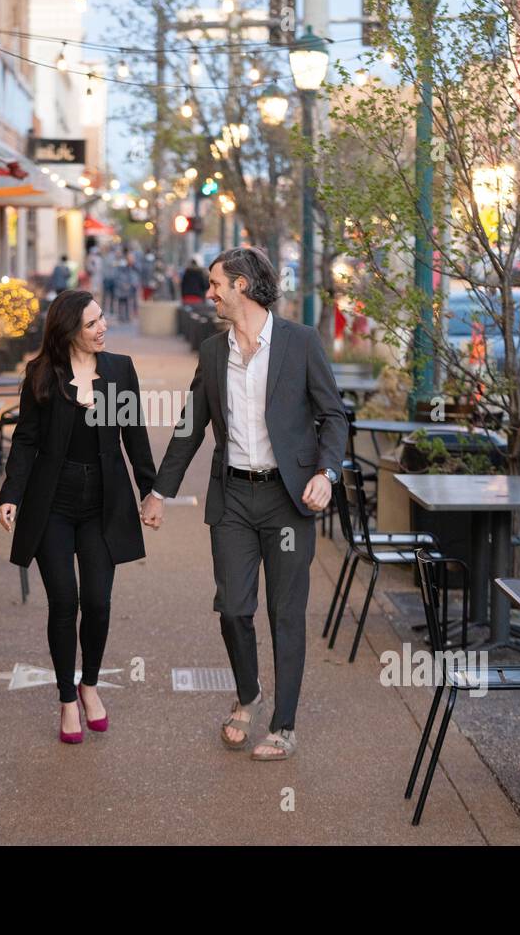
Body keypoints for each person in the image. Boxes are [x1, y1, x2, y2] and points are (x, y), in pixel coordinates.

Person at [141, 247, 346, 761]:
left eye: (216, 284)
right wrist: (160, 491)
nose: (209, 293)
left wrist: (326, 473)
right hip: (232, 496)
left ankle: (284, 725)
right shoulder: (214, 351)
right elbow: (190, 427)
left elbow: (334, 416)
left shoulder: (300, 342)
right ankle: (249, 693)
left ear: (243, 285)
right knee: (233, 608)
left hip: (287, 499)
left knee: (285, 612)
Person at [0, 289, 156, 744]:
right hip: (53, 503)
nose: (103, 327)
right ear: (69, 331)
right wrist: (11, 493)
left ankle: (90, 685)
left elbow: (135, 434)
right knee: (65, 601)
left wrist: (151, 492)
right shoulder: (42, 375)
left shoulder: (120, 370)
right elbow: (26, 440)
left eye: (101, 318)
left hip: (104, 504)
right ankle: (67, 697)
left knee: (98, 603)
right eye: (91, 323)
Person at [112, 251, 142, 324]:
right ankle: (121, 317)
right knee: (122, 301)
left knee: (130, 302)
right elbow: (118, 276)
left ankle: (128, 316)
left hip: (132, 286)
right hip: (123, 286)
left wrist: (133, 284)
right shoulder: (122, 266)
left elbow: (138, 273)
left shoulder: (135, 266)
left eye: (132, 258)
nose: (132, 260)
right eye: (130, 258)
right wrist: (123, 284)